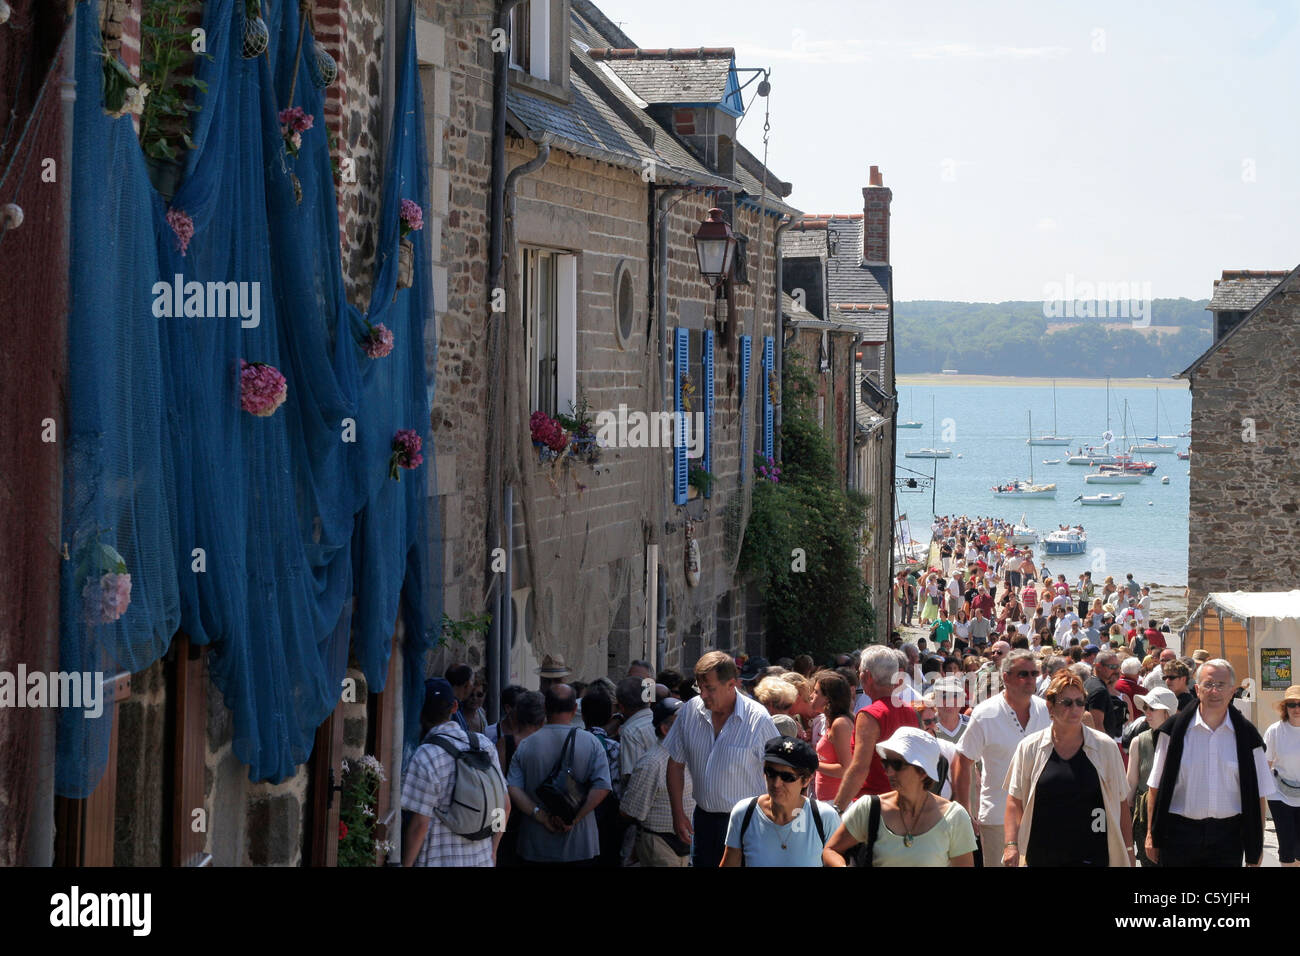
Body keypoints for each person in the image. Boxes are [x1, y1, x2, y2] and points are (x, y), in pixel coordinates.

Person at [1145, 659, 1277, 867]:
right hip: (1179, 836)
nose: (1214, 691)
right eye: (1208, 684)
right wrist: (1151, 835)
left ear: (1232, 691)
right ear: (1197, 689)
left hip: (1228, 839)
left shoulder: (1248, 737)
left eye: (1221, 685)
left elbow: (1259, 795)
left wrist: (1256, 844)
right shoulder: (1173, 732)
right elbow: (1155, 787)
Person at [1004, 671, 1133, 867]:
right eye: (1067, 702)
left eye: (1080, 702)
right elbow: (1014, 800)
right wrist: (1011, 845)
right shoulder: (1030, 747)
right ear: (1050, 706)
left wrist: (1129, 851)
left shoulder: (1105, 747)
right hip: (1042, 855)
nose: (1075, 709)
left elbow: (1122, 803)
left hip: (1093, 854)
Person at [665, 651, 779, 868]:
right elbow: (675, 764)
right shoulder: (690, 711)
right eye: (700, 688)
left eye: (710, 688)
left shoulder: (757, 719)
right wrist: (678, 813)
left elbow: (779, 772)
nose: (704, 695)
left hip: (748, 824)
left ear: (732, 685)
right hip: (704, 820)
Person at [823, 727, 977, 867]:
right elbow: (830, 850)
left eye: (897, 764)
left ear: (923, 772)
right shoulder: (870, 808)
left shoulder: (955, 817)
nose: (888, 771)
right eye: (886, 763)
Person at [952, 649, 1051, 866]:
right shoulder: (985, 713)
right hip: (997, 818)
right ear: (1005, 677)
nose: (1030, 679)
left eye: (1034, 673)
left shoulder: (1046, 711)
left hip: (1043, 817)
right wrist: (964, 812)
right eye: (1023, 674)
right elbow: (962, 760)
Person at [402, 678, 508, 867]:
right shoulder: (483, 744)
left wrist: (407, 863)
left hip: (439, 859)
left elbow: (420, 824)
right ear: (454, 707)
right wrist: (493, 849)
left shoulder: (425, 755)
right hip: (482, 860)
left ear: (419, 711)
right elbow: (504, 805)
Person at [506, 684, 612, 866]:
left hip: (535, 845)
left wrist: (541, 816)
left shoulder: (526, 745)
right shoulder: (592, 743)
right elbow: (602, 787)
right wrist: (574, 819)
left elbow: (512, 788)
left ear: (546, 708)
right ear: (575, 708)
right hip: (580, 845)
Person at [721, 737, 840, 867]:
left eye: (787, 777)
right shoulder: (744, 813)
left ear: (806, 780)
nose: (776, 783)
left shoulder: (825, 818)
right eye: (770, 773)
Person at [831, 646, 920, 813]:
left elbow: (859, 768)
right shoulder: (912, 712)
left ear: (867, 676)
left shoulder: (869, 715)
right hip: (905, 805)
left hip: (873, 808)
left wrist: (837, 809)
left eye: (859, 672)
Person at [621, 698, 693, 867]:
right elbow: (630, 811)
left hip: (687, 844)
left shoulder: (689, 754)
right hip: (660, 844)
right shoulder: (651, 763)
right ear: (665, 729)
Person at [1126, 686, 1176, 866]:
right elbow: (1131, 784)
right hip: (1145, 818)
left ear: (1167, 712)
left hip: (1176, 818)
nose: (1146, 712)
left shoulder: (1184, 740)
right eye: (1145, 707)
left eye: (1152, 708)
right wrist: (1125, 821)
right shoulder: (1138, 741)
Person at [1264, 685, 1300, 867]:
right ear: (1285, 708)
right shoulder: (1275, 730)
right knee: (1286, 843)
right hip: (1279, 792)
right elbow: (1265, 764)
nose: (1296, 709)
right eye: (1291, 705)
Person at [813, 671, 854, 802]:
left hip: (837, 802)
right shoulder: (832, 721)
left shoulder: (840, 724)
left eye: (816, 692)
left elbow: (845, 769)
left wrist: (810, 762)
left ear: (828, 699)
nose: (811, 696)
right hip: (828, 801)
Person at [1084, 650, 1126, 742]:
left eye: (1118, 666)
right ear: (1098, 667)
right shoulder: (1100, 691)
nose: (1116, 670)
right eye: (1112, 667)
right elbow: (1097, 726)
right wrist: (1106, 749)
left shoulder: (1090, 682)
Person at [445, 664, 475, 732]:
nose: (473, 687)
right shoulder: (451, 708)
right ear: (466, 685)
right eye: (472, 681)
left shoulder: (457, 706)